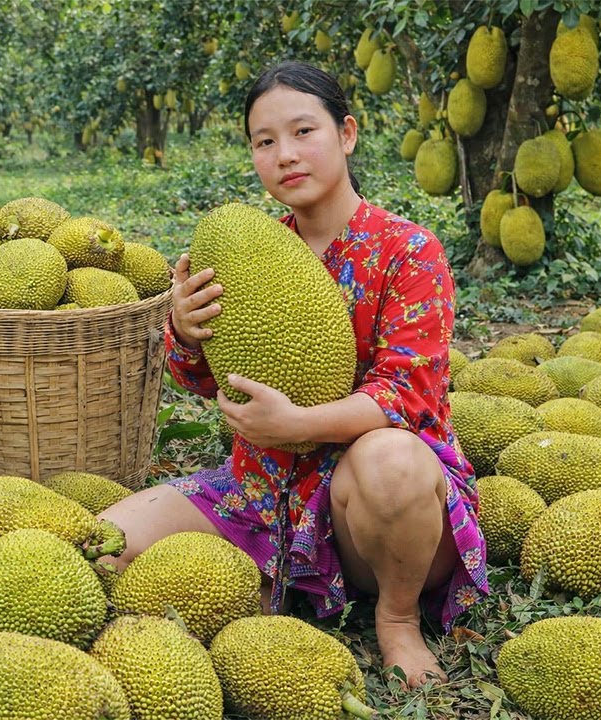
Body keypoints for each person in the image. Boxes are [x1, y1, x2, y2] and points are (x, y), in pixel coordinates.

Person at [98, 61, 488, 688]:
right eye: (265, 141)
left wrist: (298, 423)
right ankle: (271, 580)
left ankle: (395, 618)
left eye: (304, 131)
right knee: (109, 543)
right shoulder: (250, 247)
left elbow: (406, 396)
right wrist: (188, 332)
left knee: (391, 457)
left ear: (347, 134)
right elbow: (204, 380)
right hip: (266, 491)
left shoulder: (409, 251)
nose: (286, 155)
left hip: (379, 503)